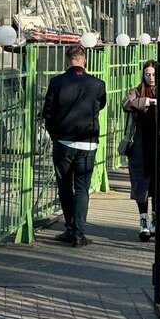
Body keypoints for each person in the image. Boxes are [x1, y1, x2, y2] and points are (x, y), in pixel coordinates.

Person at [41, 44, 107, 247]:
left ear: (66, 61)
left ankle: (69, 228)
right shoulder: (97, 84)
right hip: (87, 144)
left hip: (63, 142)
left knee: (64, 186)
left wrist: (55, 135)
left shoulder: (57, 82)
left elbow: (48, 114)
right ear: (84, 60)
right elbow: (101, 104)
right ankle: (79, 234)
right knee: (82, 188)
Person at [122, 61, 157, 241]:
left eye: (153, 74)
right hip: (140, 144)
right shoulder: (137, 91)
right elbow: (126, 104)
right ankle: (143, 220)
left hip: (158, 144)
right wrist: (148, 101)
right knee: (140, 182)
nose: (150, 78)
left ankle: (155, 219)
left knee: (157, 182)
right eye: (147, 74)